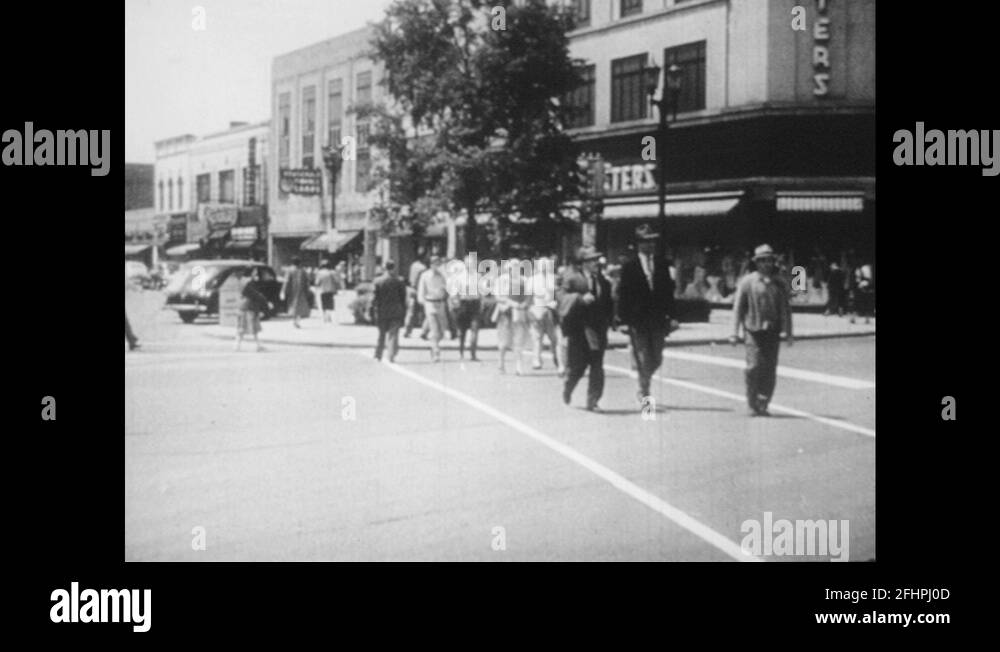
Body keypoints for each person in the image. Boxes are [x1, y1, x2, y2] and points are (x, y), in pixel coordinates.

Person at [729, 244, 794, 417]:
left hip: (772, 331)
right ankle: (751, 402)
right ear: (756, 263)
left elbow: (787, 309)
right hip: (753, 330)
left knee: (769, 369)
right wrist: (734, 333)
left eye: (769, 260)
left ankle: (763, 402)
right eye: (762, 261)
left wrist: (789, 333)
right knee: (753, 367)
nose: (766, 264)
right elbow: (738, 308)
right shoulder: (747, 282)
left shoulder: (779, 283)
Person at [616, 224, 676, 407]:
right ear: (638, 244)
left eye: (652, 242)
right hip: (638, 320)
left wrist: (673, 316)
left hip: (658, 319)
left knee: (656, 358)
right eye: (646, 242)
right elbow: (623, 295)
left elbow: (668, 292)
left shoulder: (662, 264)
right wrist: (622, 320)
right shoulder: (629, 267)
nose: (650, 245)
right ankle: (645, 396)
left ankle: (643, 383)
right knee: (643, 358)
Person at [556, 247, 614, 411]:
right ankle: (568, 386)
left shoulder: (602, 280)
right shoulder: (573, 279)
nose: (596, 263)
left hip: (598, 329)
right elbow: (561, 297)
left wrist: (612, 321)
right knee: (578, 366)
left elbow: (608, 303)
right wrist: (580, 299)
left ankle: (593, 400)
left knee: (597, 363)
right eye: (592, 260)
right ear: (583, 264)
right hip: (579, 329)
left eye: (597, 259)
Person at [493, 259, 533, 375]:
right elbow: (498, 296)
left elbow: (529, 295)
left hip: (519, 312)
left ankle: (519, 366)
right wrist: (510, 302)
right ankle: (501, 362)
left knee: (519, 339)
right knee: (504, 340)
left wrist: (525, 303)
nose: (514, 269)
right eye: (512, 267)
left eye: (516, 267)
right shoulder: (502, 280)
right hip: (505, 312)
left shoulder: (524, 280)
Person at [372, 261, 407, 363]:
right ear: (394, 268)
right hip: (396, 310)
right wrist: (403, 310)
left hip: (382, 310)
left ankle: (378, 354)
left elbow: (374, 298)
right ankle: (391, 355)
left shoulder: (378, 281)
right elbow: (403, 298)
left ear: (384, 268)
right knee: (393, 334)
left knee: (381, 333)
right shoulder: (399, 281)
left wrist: (373, 310)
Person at [528, 255, 559, 370]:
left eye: (546, 265)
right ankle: (536, 360)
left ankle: (556, 357)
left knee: (554, 337)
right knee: (537, 337)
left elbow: (557, 295)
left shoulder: (554, 278)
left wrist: (556, 303)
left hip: (551, 309)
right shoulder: (532, 279)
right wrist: (531, 310)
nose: (544, 268)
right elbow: (528, 297)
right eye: (542, 266)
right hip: (538, 309)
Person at [447, 257, 481, 361]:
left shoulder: (478, 276)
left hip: (475, 304)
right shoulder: (459, 277)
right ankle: (461, 352)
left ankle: (473, 354)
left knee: (475, 329)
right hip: (463, 304)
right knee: (462, 331)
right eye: (468, 264)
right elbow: (454, 293)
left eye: (472, 264)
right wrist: (455, 304)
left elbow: (481, 292)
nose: (470, 266)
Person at [417, 255, 449, 362]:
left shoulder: (443, 276)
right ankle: (436, 352)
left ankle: (433, 344)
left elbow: (448, 288)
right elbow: (421, 290)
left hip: (441, 304)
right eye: (435, 264)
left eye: (439, 264)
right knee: (434, 330)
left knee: (442, 331)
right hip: (430, 304)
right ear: (431, 265)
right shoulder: (425, 275)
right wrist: (422, 301)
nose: (437, 266)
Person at [235, 267, 274, 352]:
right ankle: (257, 346)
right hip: (249, 307)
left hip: (243, 306)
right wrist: (266, 303)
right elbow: (255, 294)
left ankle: (239, 345)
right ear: (251, 272)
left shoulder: (242, 281)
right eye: (255, 271)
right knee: (253, 327)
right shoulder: (249, 282)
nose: (256, 273)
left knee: (243, 327)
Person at [281, 257, 311, 328]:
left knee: (293, 305)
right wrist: (307, 290)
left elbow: (286, 281)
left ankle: (295, 321)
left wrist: (283, 290)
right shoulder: (303, 270)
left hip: (292, 290)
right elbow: (307, 281)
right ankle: (297, 321)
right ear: (299, 263)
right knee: (299, 306)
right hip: (301, 291)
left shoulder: (289, 270)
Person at [404, 255, 428, 339]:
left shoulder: (413, 265)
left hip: (412, 289)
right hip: (419, 291)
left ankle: (407, 330)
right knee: (426, 312)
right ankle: (424, 332)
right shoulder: (423, 268)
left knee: (411, 312)